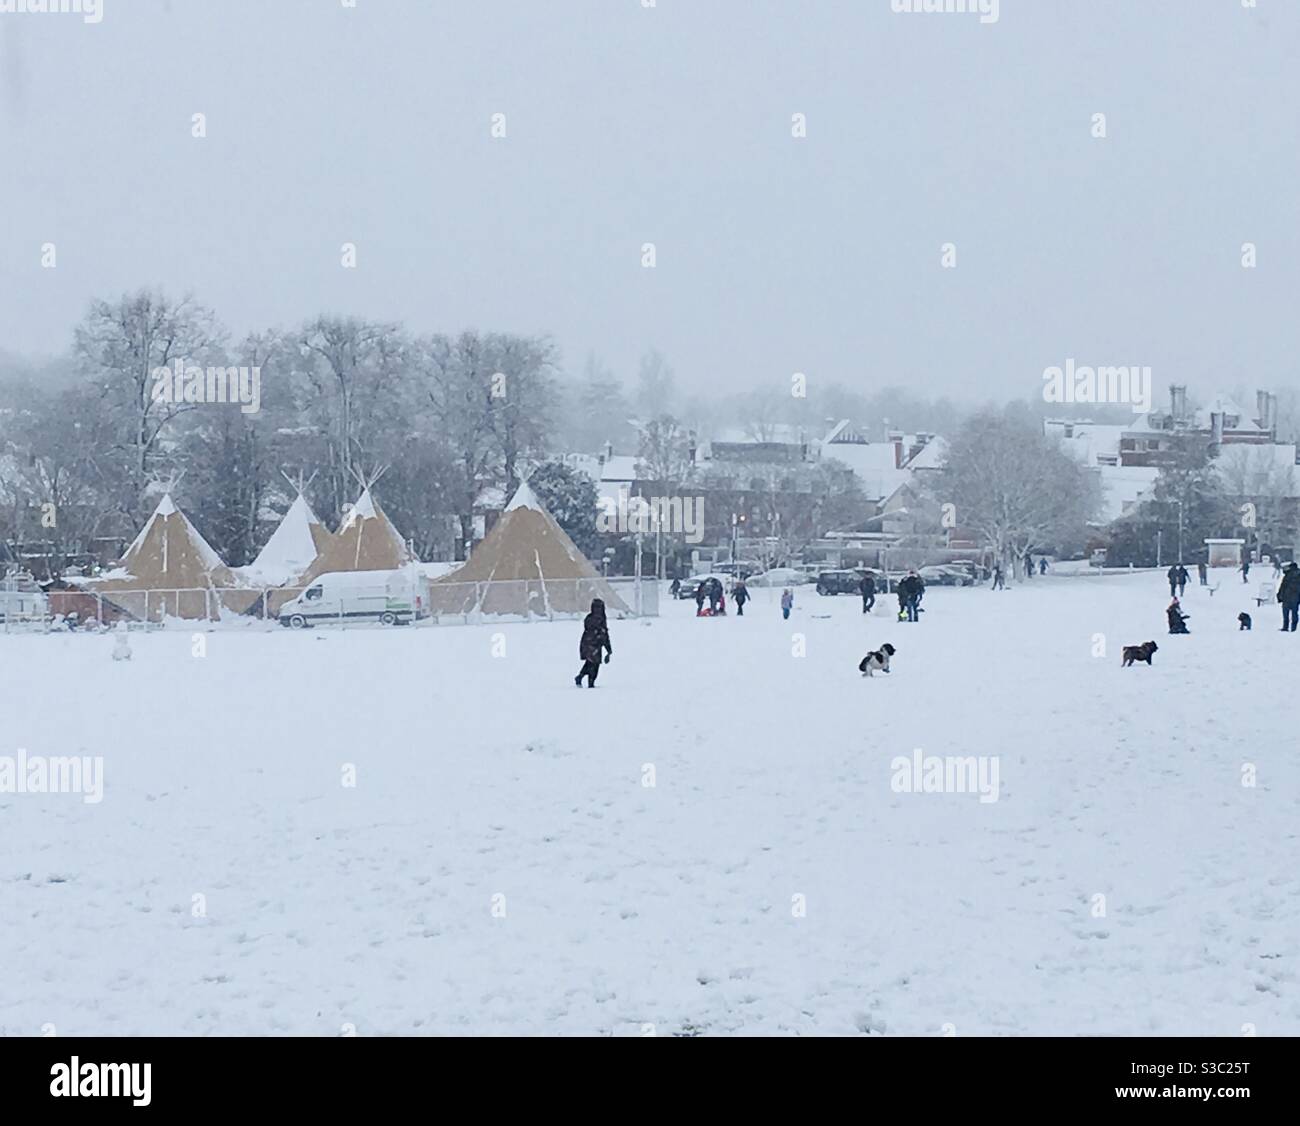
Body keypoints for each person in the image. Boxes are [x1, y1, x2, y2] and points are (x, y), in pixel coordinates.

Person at [575, 598, 612, 687]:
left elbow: (604, 634)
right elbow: (601, 633)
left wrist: (608, 649)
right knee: (593, 664)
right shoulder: (593, 619)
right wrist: (607, 648)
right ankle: (590, 683)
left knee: (591, 663)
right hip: (591, 645)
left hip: (593, 645)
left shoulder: (594, 618)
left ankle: (581, 678)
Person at [1278, 561, 1300, 632]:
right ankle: (1294, 628)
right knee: (1294, 613)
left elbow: (1283, 586)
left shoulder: (1287, 575)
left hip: (1286, 597)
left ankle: (1285, 627)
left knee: (1286, 613)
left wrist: (1279, 596)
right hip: (1296, 597)